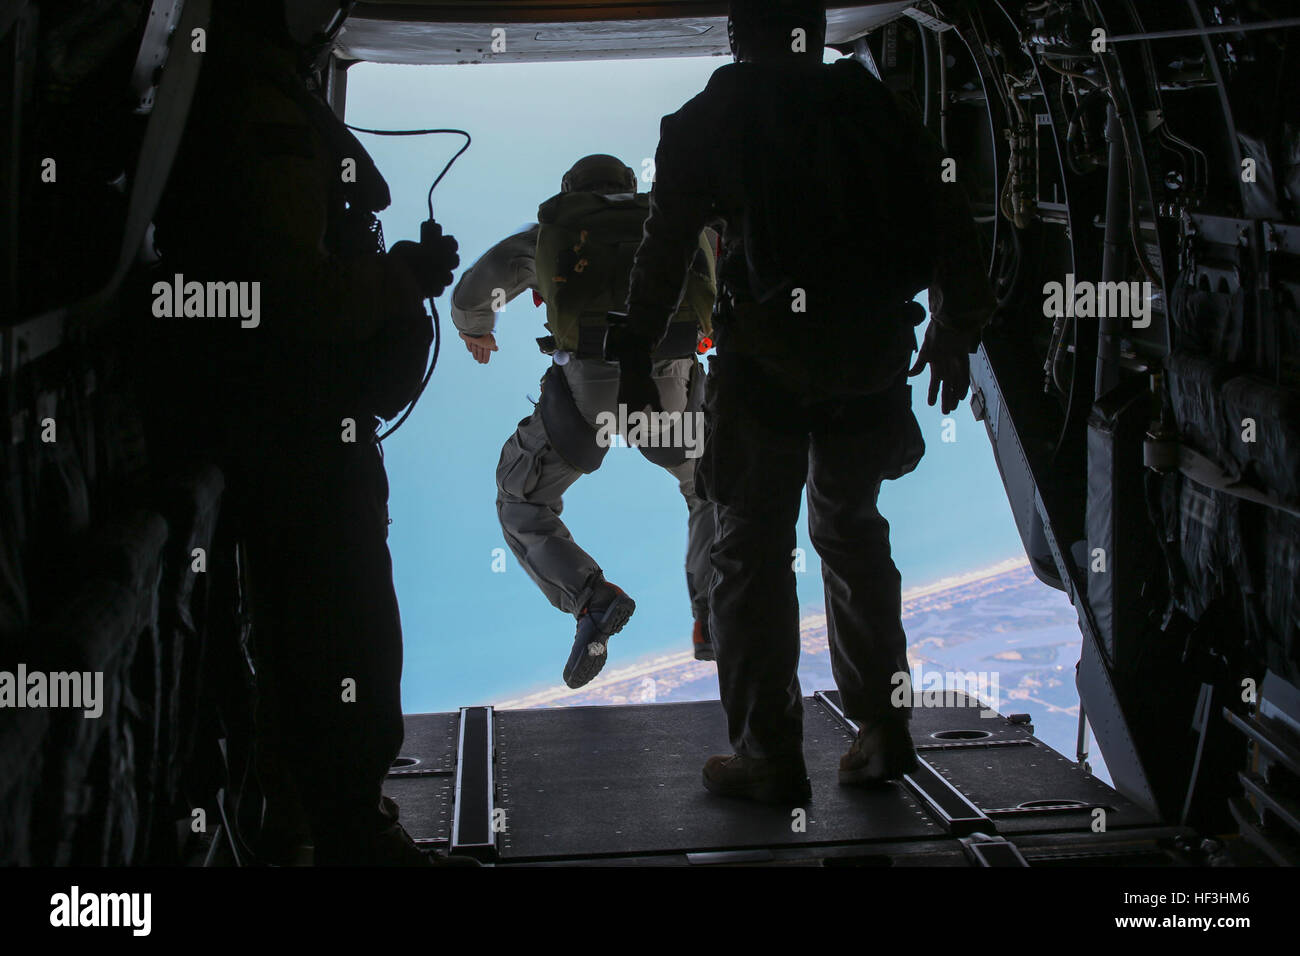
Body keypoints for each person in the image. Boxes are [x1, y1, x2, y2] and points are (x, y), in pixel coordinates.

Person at [616, 0, 996, 803]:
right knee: (852, 533)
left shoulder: (709, 116)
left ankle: (768, 753)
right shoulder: (873, 103)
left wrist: (633, 351)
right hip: (872, 357)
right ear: (815, 30)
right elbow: (948, 212)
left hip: (770, 365)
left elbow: (666, 246)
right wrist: (958, 325)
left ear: (738, 34)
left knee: (749, 548)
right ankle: (883, 732)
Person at [150, 0, 466, 863]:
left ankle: (310, 828)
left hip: (288, 423)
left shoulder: (247, 92)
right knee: (346, 627)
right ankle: (350, 836)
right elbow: (297, 298)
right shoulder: (260, 108)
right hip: (298, 427)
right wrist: (401, 277)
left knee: (318, 634)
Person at [452, 154, 719, 688]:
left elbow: (472, 294)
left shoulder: (550, 235)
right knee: (708, 490)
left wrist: (476, 328)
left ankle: (591, 598)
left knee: (521, 499)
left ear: (571, 188)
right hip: (669, 385)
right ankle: (715, 614)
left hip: (588, 390)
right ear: (629, 184)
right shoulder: (684, 222)